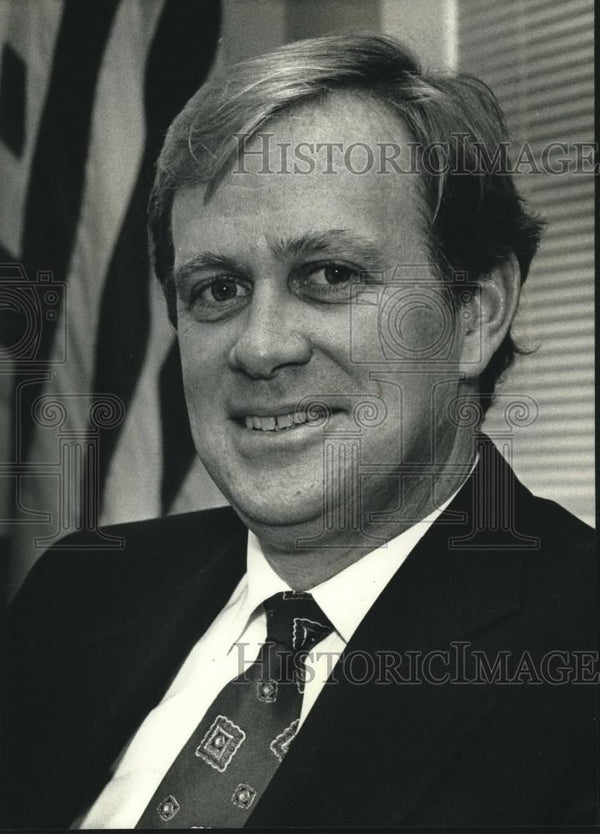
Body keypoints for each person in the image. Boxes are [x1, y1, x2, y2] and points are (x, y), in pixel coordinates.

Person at [2, 34, 595, 829]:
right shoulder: (79, 593)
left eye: (329, 275)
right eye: (218, 289)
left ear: (475, 316)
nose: (260, 347)